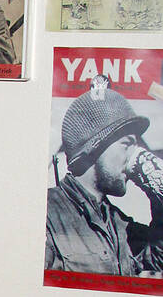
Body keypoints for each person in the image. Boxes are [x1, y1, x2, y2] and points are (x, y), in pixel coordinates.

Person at [46, 81, 163, 276]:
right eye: (128, 144)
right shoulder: (46, 214)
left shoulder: (119, 223)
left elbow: (155, 262)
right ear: (93, 146)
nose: (135, 157)